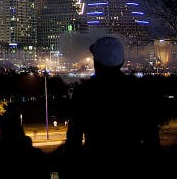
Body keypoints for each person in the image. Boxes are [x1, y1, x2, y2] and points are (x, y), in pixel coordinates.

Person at [64, 36, 160, 178]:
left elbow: (74, 138)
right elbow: (151, 137)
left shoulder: (85, 92)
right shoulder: (138, 90)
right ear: (121, 62)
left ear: (96, 62)